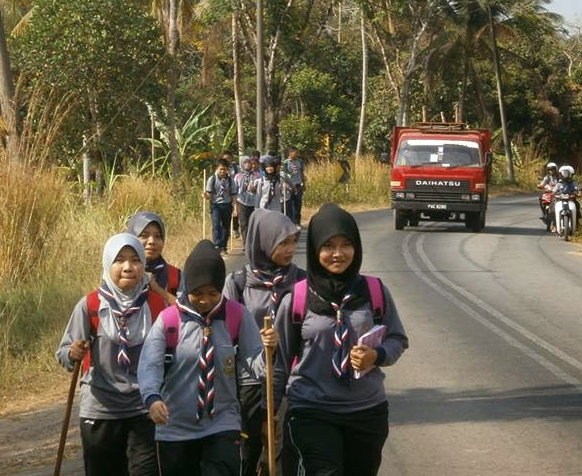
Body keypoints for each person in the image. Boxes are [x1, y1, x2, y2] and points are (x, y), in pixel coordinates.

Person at [274, 204, 408, 476]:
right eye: (328, 246)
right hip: (311, 411)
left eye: (346, 244)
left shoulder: (374, 291)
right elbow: (280, 362)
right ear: (314, 250)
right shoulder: (297, 299)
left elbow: (397, 338)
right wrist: (270, 412)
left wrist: (377, 356)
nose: (338, 254)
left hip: (367, 412)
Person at [138, 240, 278, 476]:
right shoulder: (169, 320)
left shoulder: (237, 316)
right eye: (197, 293)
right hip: (175, 428)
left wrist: (269, 352)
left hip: (222, 423)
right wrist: (152, 398)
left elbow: (257, 365)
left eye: (213, 293)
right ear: (187, 288)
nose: (205, 300)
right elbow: (150, 364)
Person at [56, 233, 164, 476]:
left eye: (135, 260)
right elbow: (63, 354)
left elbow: (172, 355)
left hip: (144, 409)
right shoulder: (91, 305)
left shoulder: (156, 306)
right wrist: (74, 352)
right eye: (120, 260)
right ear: (108, 264)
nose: (128, 267)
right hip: (101, 410)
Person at [223, 210, 303, 476]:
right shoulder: (238, 283)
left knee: (282, 453)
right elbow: (225, 334)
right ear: (263, 241)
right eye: (283, 243)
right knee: (248, 453)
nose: (291, 249)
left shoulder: (301, 282)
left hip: (291, 381)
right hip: (249, 383)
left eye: (294, 241)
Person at [127, 210, 182, 304]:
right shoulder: (122, 273)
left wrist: (157, 289)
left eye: (157, 236)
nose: (152, 241)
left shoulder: (176, 277)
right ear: (132, 238)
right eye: (144, 236)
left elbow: (188, 311)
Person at [205, 159, 238, 254]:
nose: (222, 171)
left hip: (227, 205)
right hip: (216, 205)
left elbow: (234, 195)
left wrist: (235, 207)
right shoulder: (212, 179)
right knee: (216, 226)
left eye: (224, 169)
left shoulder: (231, 180)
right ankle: (217, 245)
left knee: (226, 227)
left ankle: (223, 246)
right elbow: (209, 194)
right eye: (221, 169)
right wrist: (206, 196)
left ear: (227, 169)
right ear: (217, 169)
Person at [234, 155, 259, 240]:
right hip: (242, 201)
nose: (247, 164)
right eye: (245, 163)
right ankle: (246, 241)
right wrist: (235, 205)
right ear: (242, 164)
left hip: (253, 202)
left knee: (253, 222)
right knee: (244, 223)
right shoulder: (238, 176)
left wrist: (254, 188)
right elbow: (235, 190)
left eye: (249, 162)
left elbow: (261, 188)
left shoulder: (256, 175)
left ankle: (252, 240)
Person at [283, 147, 306, 226]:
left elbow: (302, 173)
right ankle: (291, 222)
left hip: (298, 185)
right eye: (295, 152)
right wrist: (286, 185)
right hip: (289, 186)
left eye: (297, 152)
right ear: (289, 153)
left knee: (298, 203)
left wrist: (304, 183)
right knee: (290, 204)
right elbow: (284, 175)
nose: (296, 154)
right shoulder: (285, 163)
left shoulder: (300, 161)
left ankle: (297, 221)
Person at [537, 162, 558, 227]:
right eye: (549, 169)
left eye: (553, 169)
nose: (551, 171)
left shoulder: (559, 177)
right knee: (541, 197)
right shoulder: (547, 177)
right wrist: (540, 185)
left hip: (556, 193)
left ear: (556, 169)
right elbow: (542, 183)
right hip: (548, 193)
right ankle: (544, 213)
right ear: (548, 170)